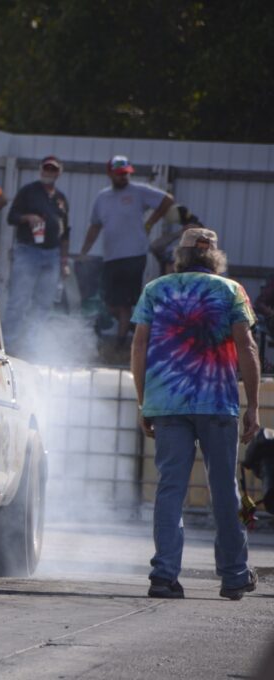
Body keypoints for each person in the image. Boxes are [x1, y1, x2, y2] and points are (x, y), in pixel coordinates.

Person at [131, 226, 260, 601]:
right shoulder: (230, 290)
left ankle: (164, 575)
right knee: (224, 490)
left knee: (170, 488)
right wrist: (253, 405)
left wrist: (143, 401)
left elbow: (139, 346)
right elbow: (247, 346)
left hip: (167, 403)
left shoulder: (155, 290)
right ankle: (234, 575)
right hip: (217, 402)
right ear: (215, 257)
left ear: (181, 255)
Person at [78, 155, 175, 350]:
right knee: (109, 303)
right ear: (110, 174)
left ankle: (120, 344)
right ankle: (131, 327)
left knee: (124, 303)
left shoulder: (138, 191)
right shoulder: (102, 197)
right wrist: (83, 252)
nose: (123, 177)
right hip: (111, 256)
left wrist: (150, 223)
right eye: (119, 174)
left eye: (126, 174)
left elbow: (167, 200)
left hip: (134, 255)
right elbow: (95, 226)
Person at [1, 155, 70, 353]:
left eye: (53, 169)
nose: (49, 172)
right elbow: (11, 217)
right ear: (41, 170)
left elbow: (65, 232)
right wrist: (27, 217)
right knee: (19, 300)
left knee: (44, 303)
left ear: (59, 173)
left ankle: (32, 346)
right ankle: (7, 344)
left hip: (52, 254)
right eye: (46, 168)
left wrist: (64, 261)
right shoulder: (28, 191)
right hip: (28, 251)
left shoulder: (61, 198)